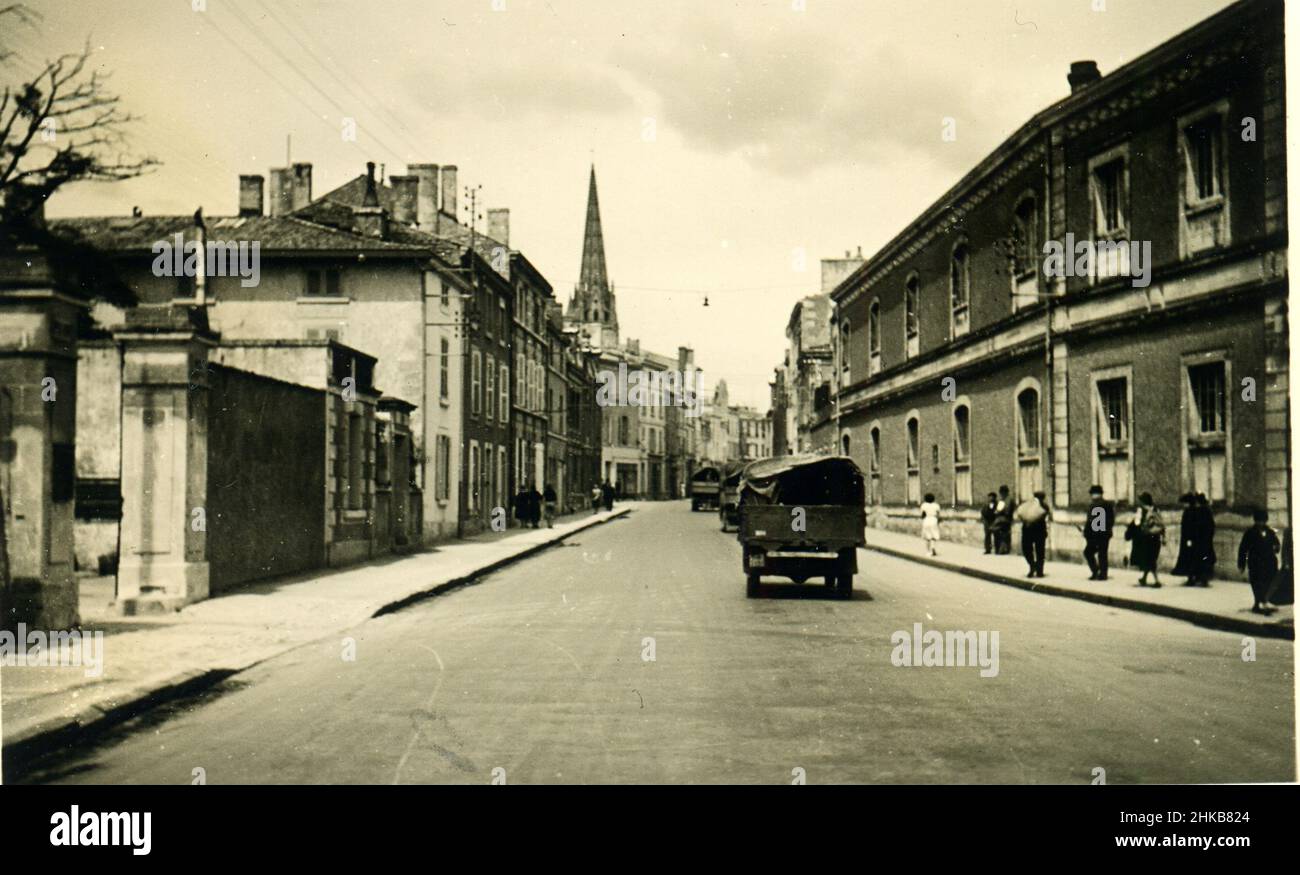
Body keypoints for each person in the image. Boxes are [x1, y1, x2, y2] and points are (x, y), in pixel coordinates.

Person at [1238, 509, 1281, 614]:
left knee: (1268, 582)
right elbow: (1243, 549)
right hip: (1255, 563)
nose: (1261, 523)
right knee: (1257, 583)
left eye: (1263, 521)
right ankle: (1257, 603)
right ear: (1255, 521)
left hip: (1269, 563)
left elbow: (1277, 544)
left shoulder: (1270, 532)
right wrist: (1241, 564)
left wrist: (1276, 547)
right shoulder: (1250, 533)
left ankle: (1264, 601)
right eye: (1259, 521)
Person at [1175, 492, 1217, 586]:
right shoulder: (1204, 511)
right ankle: (1201, 579)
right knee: (1200, 559)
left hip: (1194, 541)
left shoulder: (1192, 512)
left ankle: (1195, 579)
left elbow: (1190, 528)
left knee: (1193, 559)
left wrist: (1189, 539)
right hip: (1203, 541)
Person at [1127, 492, 1165, 587]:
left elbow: (1136, 524)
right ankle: (1144, 578)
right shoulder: (1156, 510)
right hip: (1155, 538)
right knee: (1150, 559)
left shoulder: (1141, 511)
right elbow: (1161, 525)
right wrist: (1163, 537)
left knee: (1149, 560)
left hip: (1146, 538)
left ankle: (1157, 581)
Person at [1082, 484, 1115, 581]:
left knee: (1088, 552)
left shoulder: (1094, 505)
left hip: (1095, 534)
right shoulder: (1107, 504)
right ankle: (1103, 574)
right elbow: (1111, 520)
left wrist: (1086, 532)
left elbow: (1091, 522)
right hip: (1104, 534)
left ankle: (1096, 571)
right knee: (1102, 553)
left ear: (1095, 494)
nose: (1091, 496)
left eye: (1092, 494)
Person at [1015, 490, 1050, 577]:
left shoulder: (1042, 506)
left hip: (1031, 530)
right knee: (1039, 552)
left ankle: (1035, 569)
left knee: (1029, 550)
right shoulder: (1035, 505)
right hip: (1037, 531)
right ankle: (1036, 568)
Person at [992, 485, 1013, 555]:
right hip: (1005, 520)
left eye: (1001, 493)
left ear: (1003, 492)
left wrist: (998, 512)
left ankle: (1001, 550)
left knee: (1000, 535)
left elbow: (1001, 510)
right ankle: (1003, 550)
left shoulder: (1005, 500)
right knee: (1004, 535)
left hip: (1003, 520)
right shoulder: (1007, 499)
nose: (1000, 494)